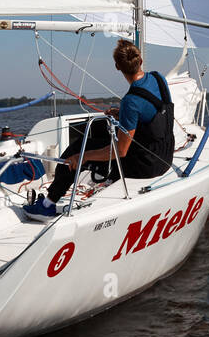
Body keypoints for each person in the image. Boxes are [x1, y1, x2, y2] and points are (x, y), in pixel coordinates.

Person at [24, 40, 174, 219]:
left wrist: (82, 157)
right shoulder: (159, 78)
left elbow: (121, 151)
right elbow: (154, 115)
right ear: (140, 60)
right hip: (165, 155)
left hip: (147, 166)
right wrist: (122, 114)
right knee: (100, 132)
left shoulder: (131, 101)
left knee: (77, 149)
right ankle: (108, 181)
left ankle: (48, 204)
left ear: (117, 67)